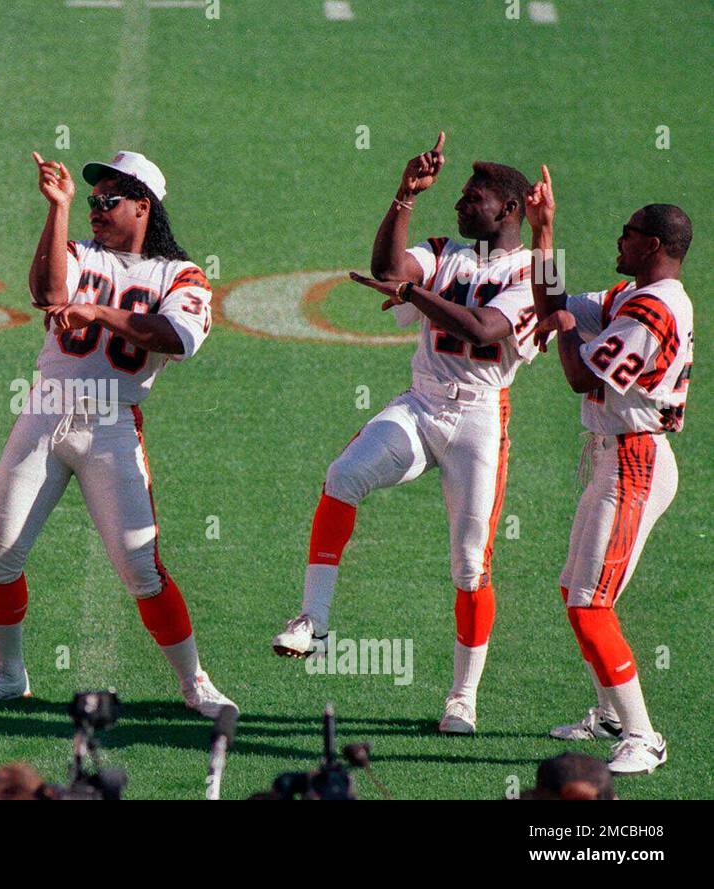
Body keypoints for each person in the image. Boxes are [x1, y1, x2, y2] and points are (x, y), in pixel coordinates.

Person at [272, 134, 543, 734]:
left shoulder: (538, 275)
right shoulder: (447, 250)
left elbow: (481, 329)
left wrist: (412, 294)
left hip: (478, 416)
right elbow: (388, 270)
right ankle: (312, 621)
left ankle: (462, 697)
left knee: (470, 564)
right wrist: (403, 197)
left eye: (473, 197)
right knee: (343, 475)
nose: (459, 204)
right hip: (421, 402)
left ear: (509, 209)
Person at [0, 150, 234, 718]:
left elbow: (179, 339)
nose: (96, 210)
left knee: (140, 567)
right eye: (93, 200)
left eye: (109, 200)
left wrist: (101, 315)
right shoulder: (80, 251)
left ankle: (193, 680)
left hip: (113, 423)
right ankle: (7, 674)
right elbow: (48, 294)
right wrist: (57, 211)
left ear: (143, 207)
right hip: (45, 412)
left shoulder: (180, 275)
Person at [527, 166, 692, 774]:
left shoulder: (653, 311)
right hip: (612, 456)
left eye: (627, 234)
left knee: (591, 603)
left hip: (634, 461)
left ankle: (644, 737)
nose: (617, 242)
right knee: (577, 590)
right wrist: (545, 233)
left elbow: (580, 376)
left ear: (652, 245)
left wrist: (568, 330)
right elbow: (551, 302)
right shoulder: (632, 298)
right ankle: (609, 714)